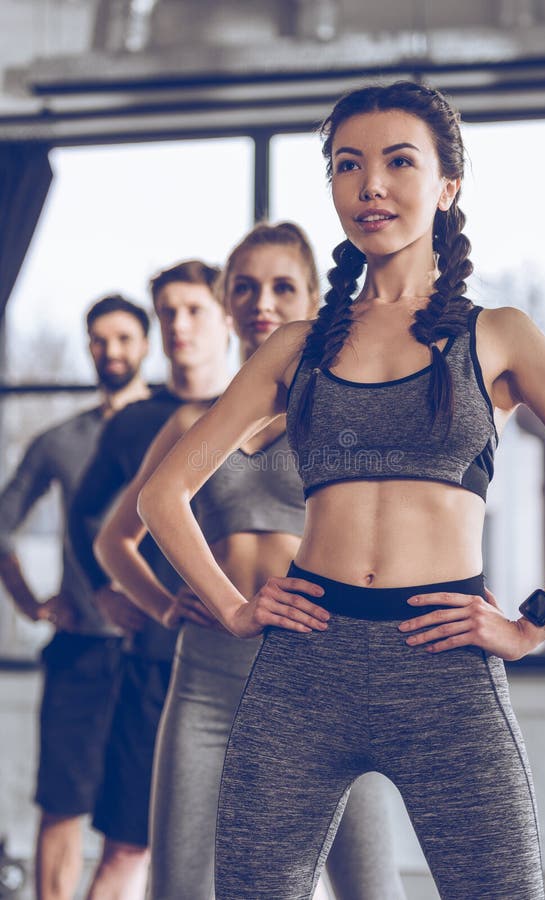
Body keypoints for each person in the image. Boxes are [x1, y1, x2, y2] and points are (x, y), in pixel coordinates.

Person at [137, 80, 545, 899]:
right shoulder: (295, 349)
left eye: (397, 162)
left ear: (447, 185)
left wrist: (539, 620)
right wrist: (236, 608)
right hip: (302, 671)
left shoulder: (497, 335)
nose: (370, 185)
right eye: (347, 165)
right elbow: (161, 496)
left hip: (443, 666)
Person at [94, 221, 408, 900]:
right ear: (228, 303)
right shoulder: (189, 425)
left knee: (372, 889)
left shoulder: (341, 412)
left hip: (324, 677)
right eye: (244, 287)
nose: (261, 301)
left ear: (312, 300)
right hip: (207, 681)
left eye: (280, 286)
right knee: (178, 888)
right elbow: (115, 540)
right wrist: (165, 605)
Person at [68, 260, 231, 900]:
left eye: (192, 310)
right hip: (158, 663)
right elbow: (90, 521)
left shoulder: (268, 410)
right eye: (166, 313)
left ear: (224, 319)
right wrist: (112, 592)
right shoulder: (136, 423)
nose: (178, 326)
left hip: (255, 662)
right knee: (128, 847)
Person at [0, 294, 151, 900]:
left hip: (154, 653)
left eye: (122, 338)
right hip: (80, 651)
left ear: (145, 344)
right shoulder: (60, 441)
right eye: (99, 339)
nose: (110, 350)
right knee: (62, 808)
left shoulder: (182, 432)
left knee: (133, 828)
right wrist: (31, 602)